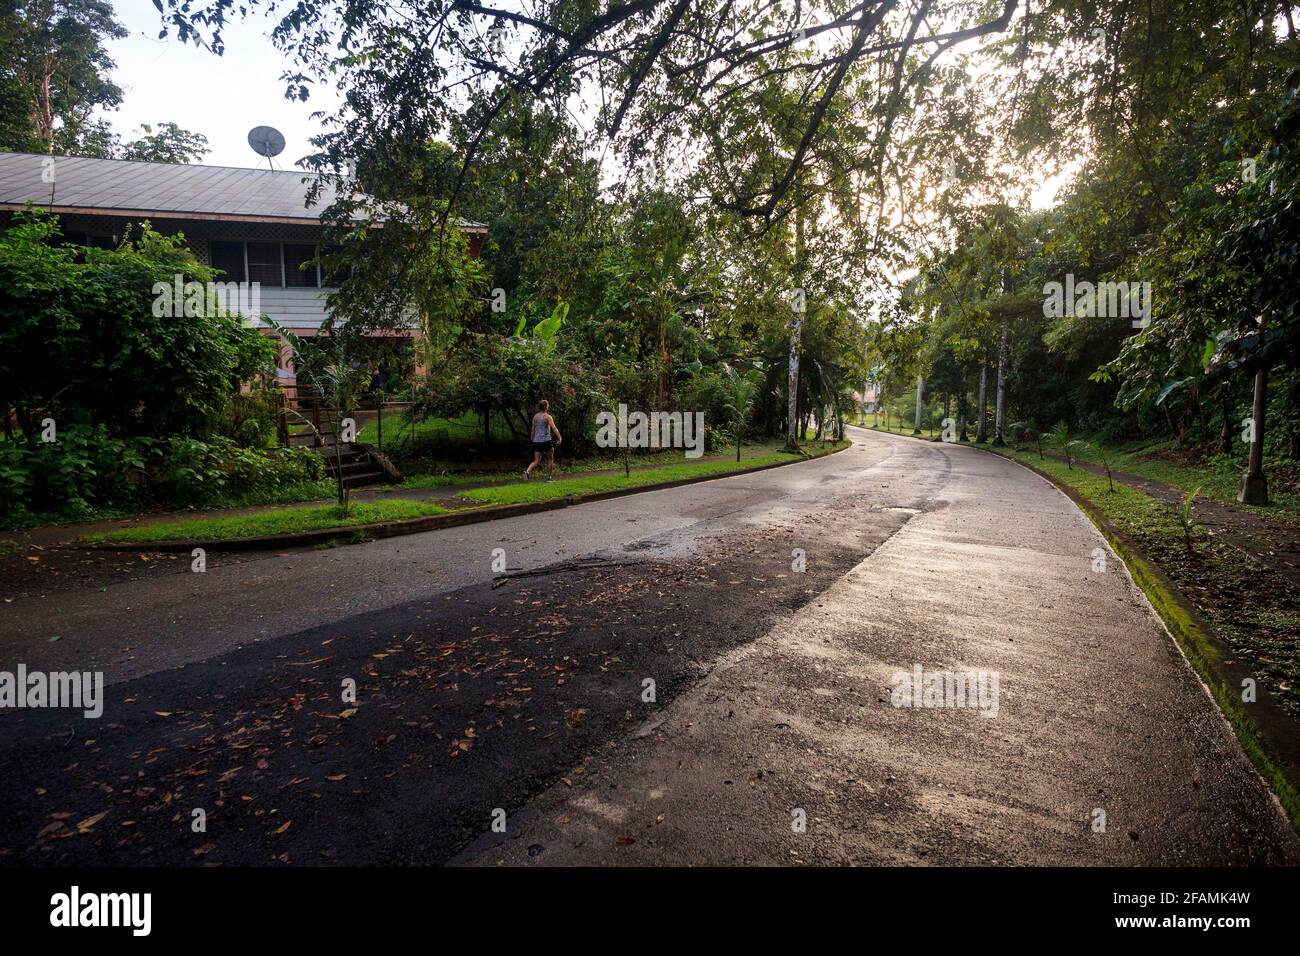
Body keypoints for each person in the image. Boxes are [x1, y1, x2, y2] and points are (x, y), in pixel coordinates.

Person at [524, 399, 562, 481]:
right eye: (547, 405)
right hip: (546, 441)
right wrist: (560, 437)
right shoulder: (548, 417)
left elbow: (533, 430)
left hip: (537, 442)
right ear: (545, 406)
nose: (548, 407)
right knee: (550, 459)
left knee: (536, 460)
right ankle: (549, 478)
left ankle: (527, 472)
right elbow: (554, 428)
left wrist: (532, 440)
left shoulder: (535, 417)